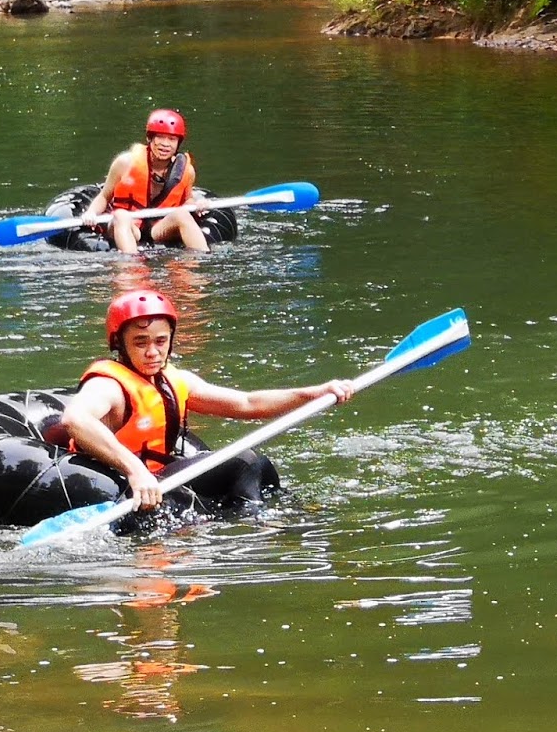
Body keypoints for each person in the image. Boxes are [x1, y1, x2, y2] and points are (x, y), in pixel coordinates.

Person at [59, 289, 355, 515]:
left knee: (258, 465)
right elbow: (75, 419)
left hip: (159, 475)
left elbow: (247, 403)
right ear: (119, 344)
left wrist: (316, 392)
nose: (152, 351)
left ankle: (280, 513)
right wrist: (135, 470)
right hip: (115, 481)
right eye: (140, 342)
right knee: (243, 463)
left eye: (160, 341)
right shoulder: (108, 385)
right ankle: (257, 525)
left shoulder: (175, 380)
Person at [80, 109, 208, 252]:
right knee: (121, 216)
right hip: (129, 225)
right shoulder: (125, 163)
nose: (165, 144)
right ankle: (130, 268)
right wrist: (91, 213)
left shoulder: (187, 171)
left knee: (182, 214)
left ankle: (199, 264)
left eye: (172, 139)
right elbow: (104, 196)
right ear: (150, 138)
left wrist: (197, 205)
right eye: (160, 137)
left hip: (160, 227)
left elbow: (187, 199)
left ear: (178, 143)